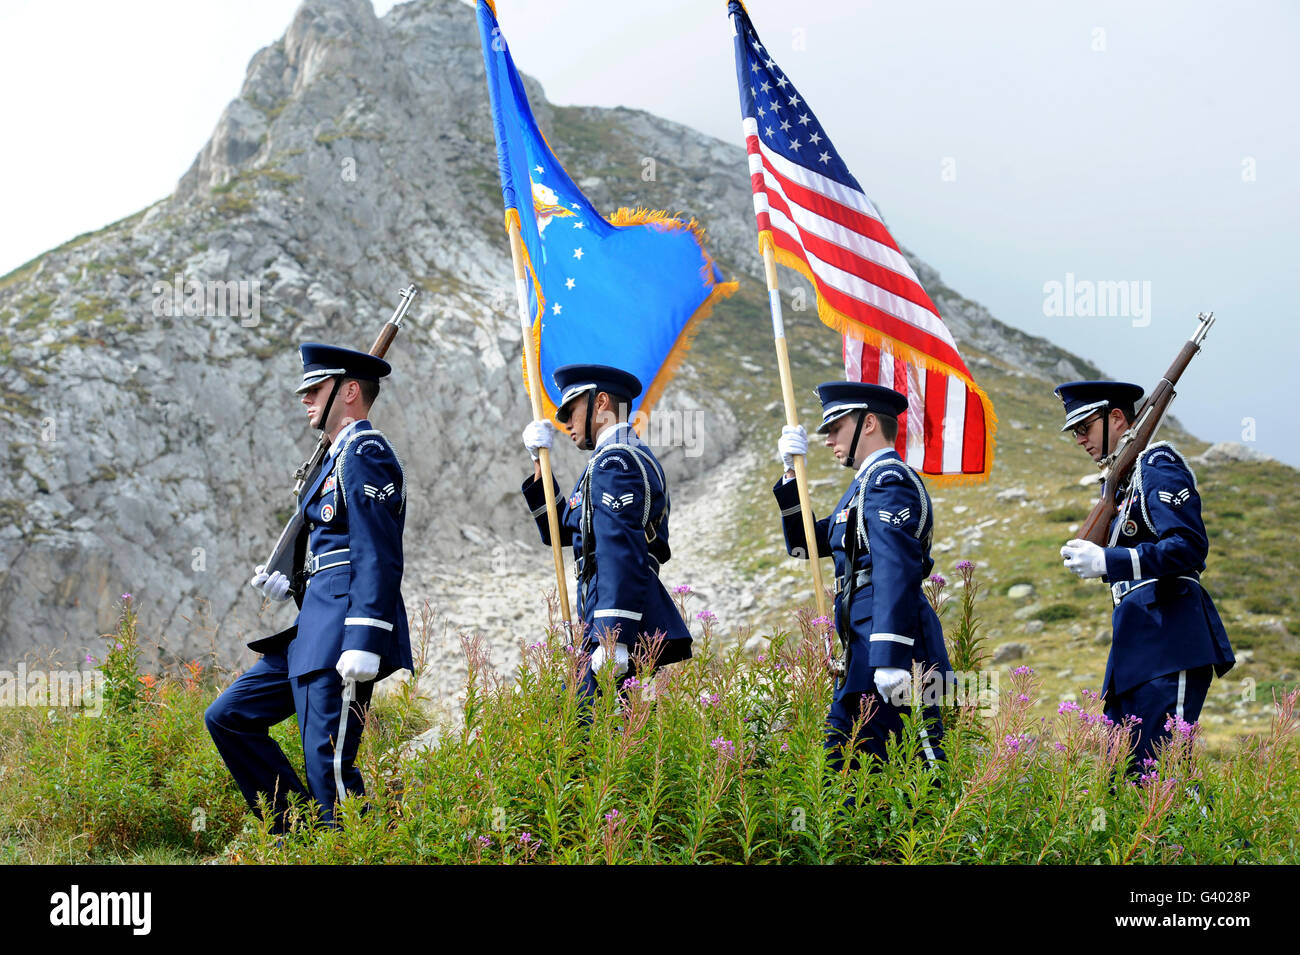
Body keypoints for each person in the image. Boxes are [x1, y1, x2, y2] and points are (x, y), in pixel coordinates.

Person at [205, 343, 413, 832]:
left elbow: (377, 554)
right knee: (229, 716)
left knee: (329, 764)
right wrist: (290, 583)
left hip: (343, 634)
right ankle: (296, 833)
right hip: (313, 626)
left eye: (315, 389)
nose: (304, 399)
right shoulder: (332, 459)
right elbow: (331, 553)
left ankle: (352, 849)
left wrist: (365, 641)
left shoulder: (366, 452)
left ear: (351, 391)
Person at [773, 382, 951, 771]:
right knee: (844, 766)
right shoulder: (862, 488)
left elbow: (894, 568)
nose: (828, 439)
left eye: (836, 427)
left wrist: (891, 657)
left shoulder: (890, 481)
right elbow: (806, 543)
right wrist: (789, 474)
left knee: (918, 769)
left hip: (895, 651)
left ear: (868, 423)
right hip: (861, 651)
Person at [1056, 381, 1234, 768]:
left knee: (1164, 775)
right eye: (1075, 432)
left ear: (1117, 418)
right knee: (1129, 776)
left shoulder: (1156, 463)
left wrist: (1110, 561)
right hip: (1136, 644)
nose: (1080, 439)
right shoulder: (1121, 485)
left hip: (1170, 637)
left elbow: (1188, 546)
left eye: (1085, 427)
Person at [520, 363, 691, 698]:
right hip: (599, 624)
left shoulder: (617, 461)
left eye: (571, 409)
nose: (564, 421)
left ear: (600, 403)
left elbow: (618, 550)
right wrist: (539, 462)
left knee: (593, 737)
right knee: (596, 735)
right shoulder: (609, 460)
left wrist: (614, 637)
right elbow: (561, 533)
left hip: (611, 628)